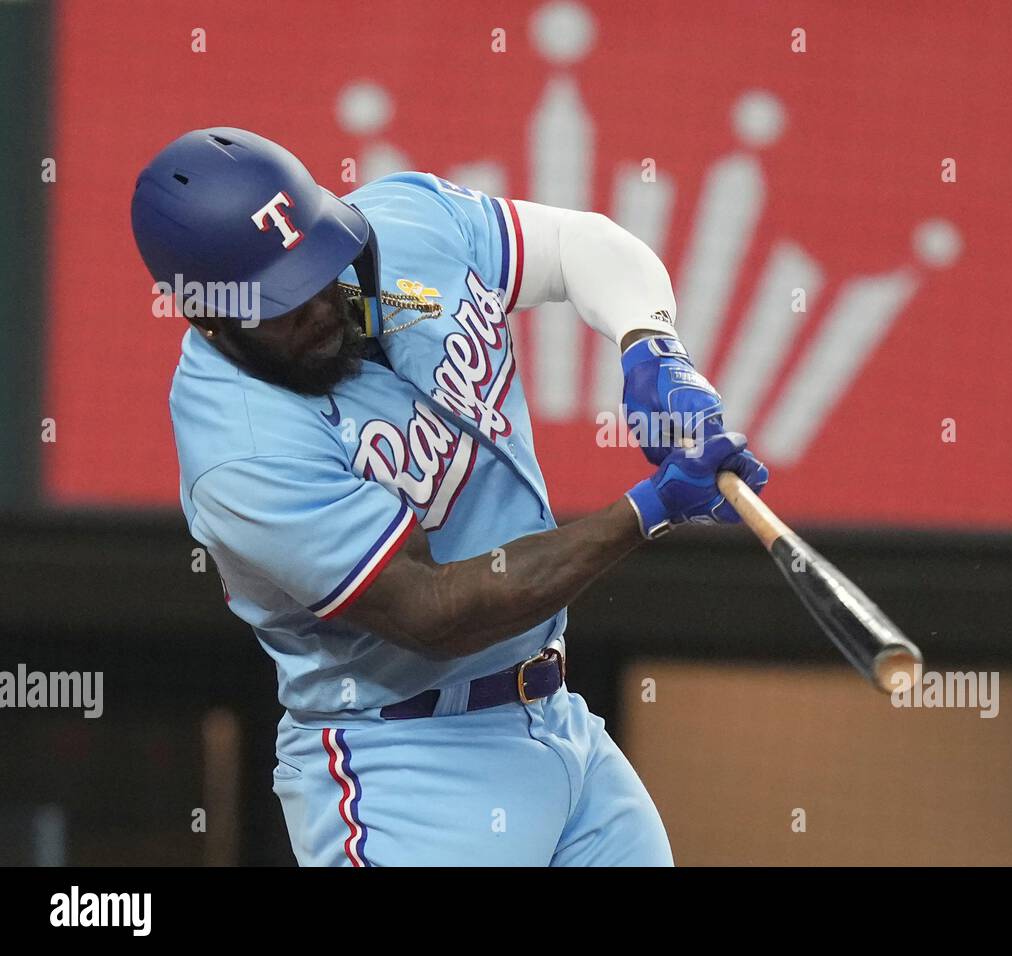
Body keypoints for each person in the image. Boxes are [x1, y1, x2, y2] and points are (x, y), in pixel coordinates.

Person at [131, 127, 768, 866]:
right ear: (209, 317)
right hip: (404, 763)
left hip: (557, 719)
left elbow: (579, 248)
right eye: (279, 300)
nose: (313, 301)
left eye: (315, 263)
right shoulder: (238, 445)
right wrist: (650, 509)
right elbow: (433, 613)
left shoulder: (406, 222)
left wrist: (649, 346)